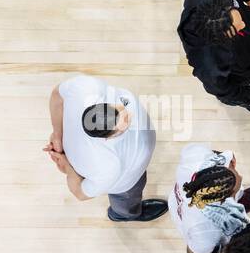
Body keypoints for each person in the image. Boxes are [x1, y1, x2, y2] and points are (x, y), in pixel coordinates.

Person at [45, 75, 164, 223]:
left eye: (116, 109)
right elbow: (80, 193)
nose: (127, 112)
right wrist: (67, 167)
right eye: (123, 123)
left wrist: (57, 134)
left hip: (106, 169)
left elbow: (57, 94)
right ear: (107, 138)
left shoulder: (85, 88)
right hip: (126, 183)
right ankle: (122, 214)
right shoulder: (109, 166)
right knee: (126, 198)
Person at [167, 145, 250, 253]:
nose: (240, 174)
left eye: (230, 168)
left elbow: (222, 160)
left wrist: (226, 158)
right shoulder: (206, 231)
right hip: (191, 227)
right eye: (235, 170)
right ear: (223, 203)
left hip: (180, 201)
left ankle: (239, 200)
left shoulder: (197, 156)